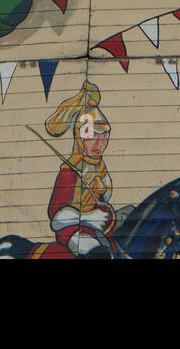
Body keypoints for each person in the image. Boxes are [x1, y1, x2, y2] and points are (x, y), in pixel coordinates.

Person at [44, 81, 117, 258]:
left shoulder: (101, 168)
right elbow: (57, 217)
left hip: (99, 227)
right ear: (80, 137)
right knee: (95, 253)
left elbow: (103, 200)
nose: (99, 144)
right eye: (92, 136)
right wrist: (89, 217)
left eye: (104, 136)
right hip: (72, 230)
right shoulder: (69, 172)